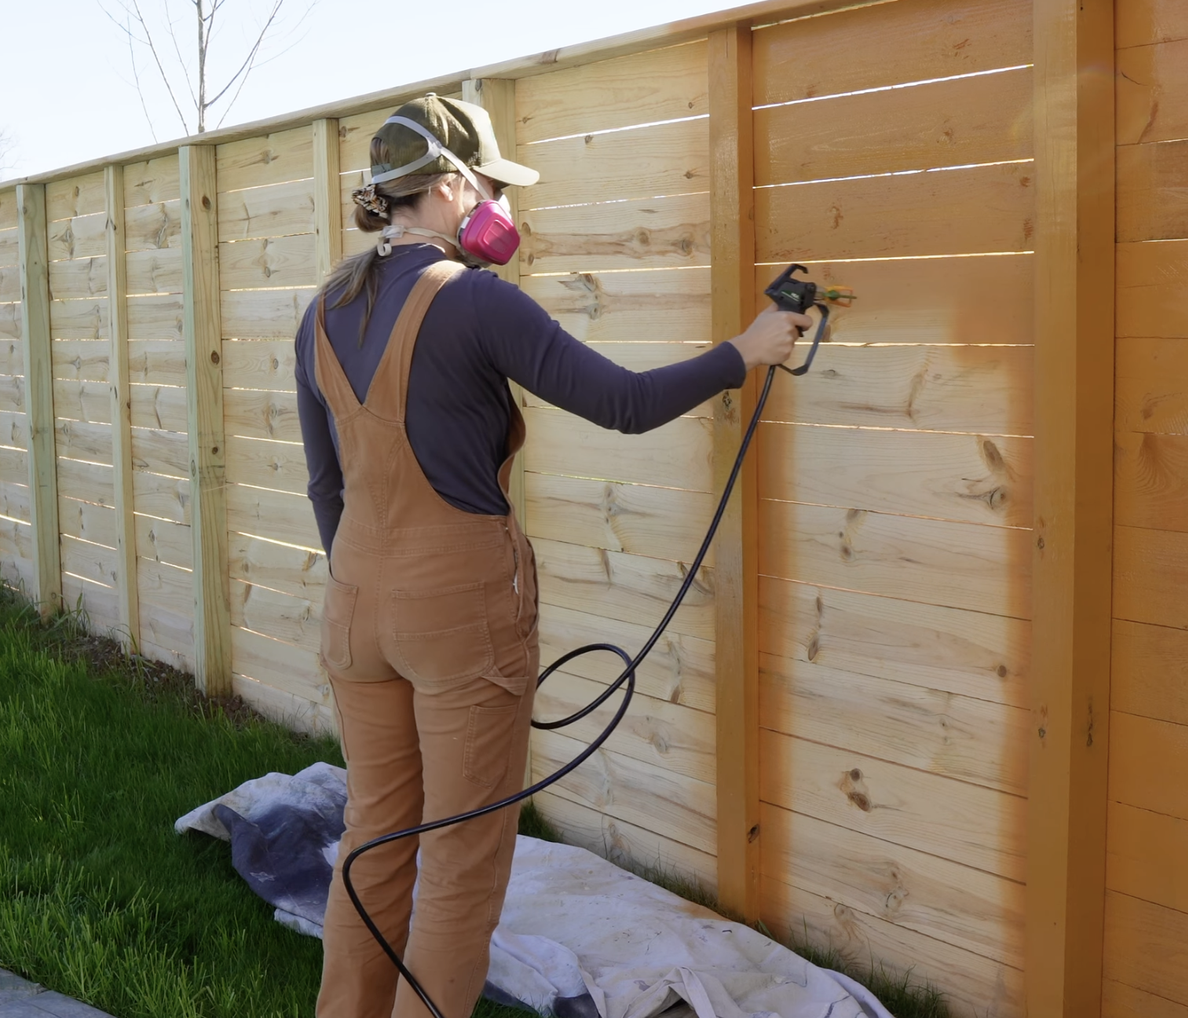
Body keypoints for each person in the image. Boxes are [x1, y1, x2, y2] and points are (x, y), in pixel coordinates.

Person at [294, 93, 808, 1018]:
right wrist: (748, 348)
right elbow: (624, 403)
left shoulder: (321, 311)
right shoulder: (475, 300)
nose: (496, 200)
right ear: (451, 186)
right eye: (488, 183)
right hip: (458, 610)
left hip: (355, 604)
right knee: (462, 856)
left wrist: (371, 586)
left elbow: (324, 487)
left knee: (373, 836)